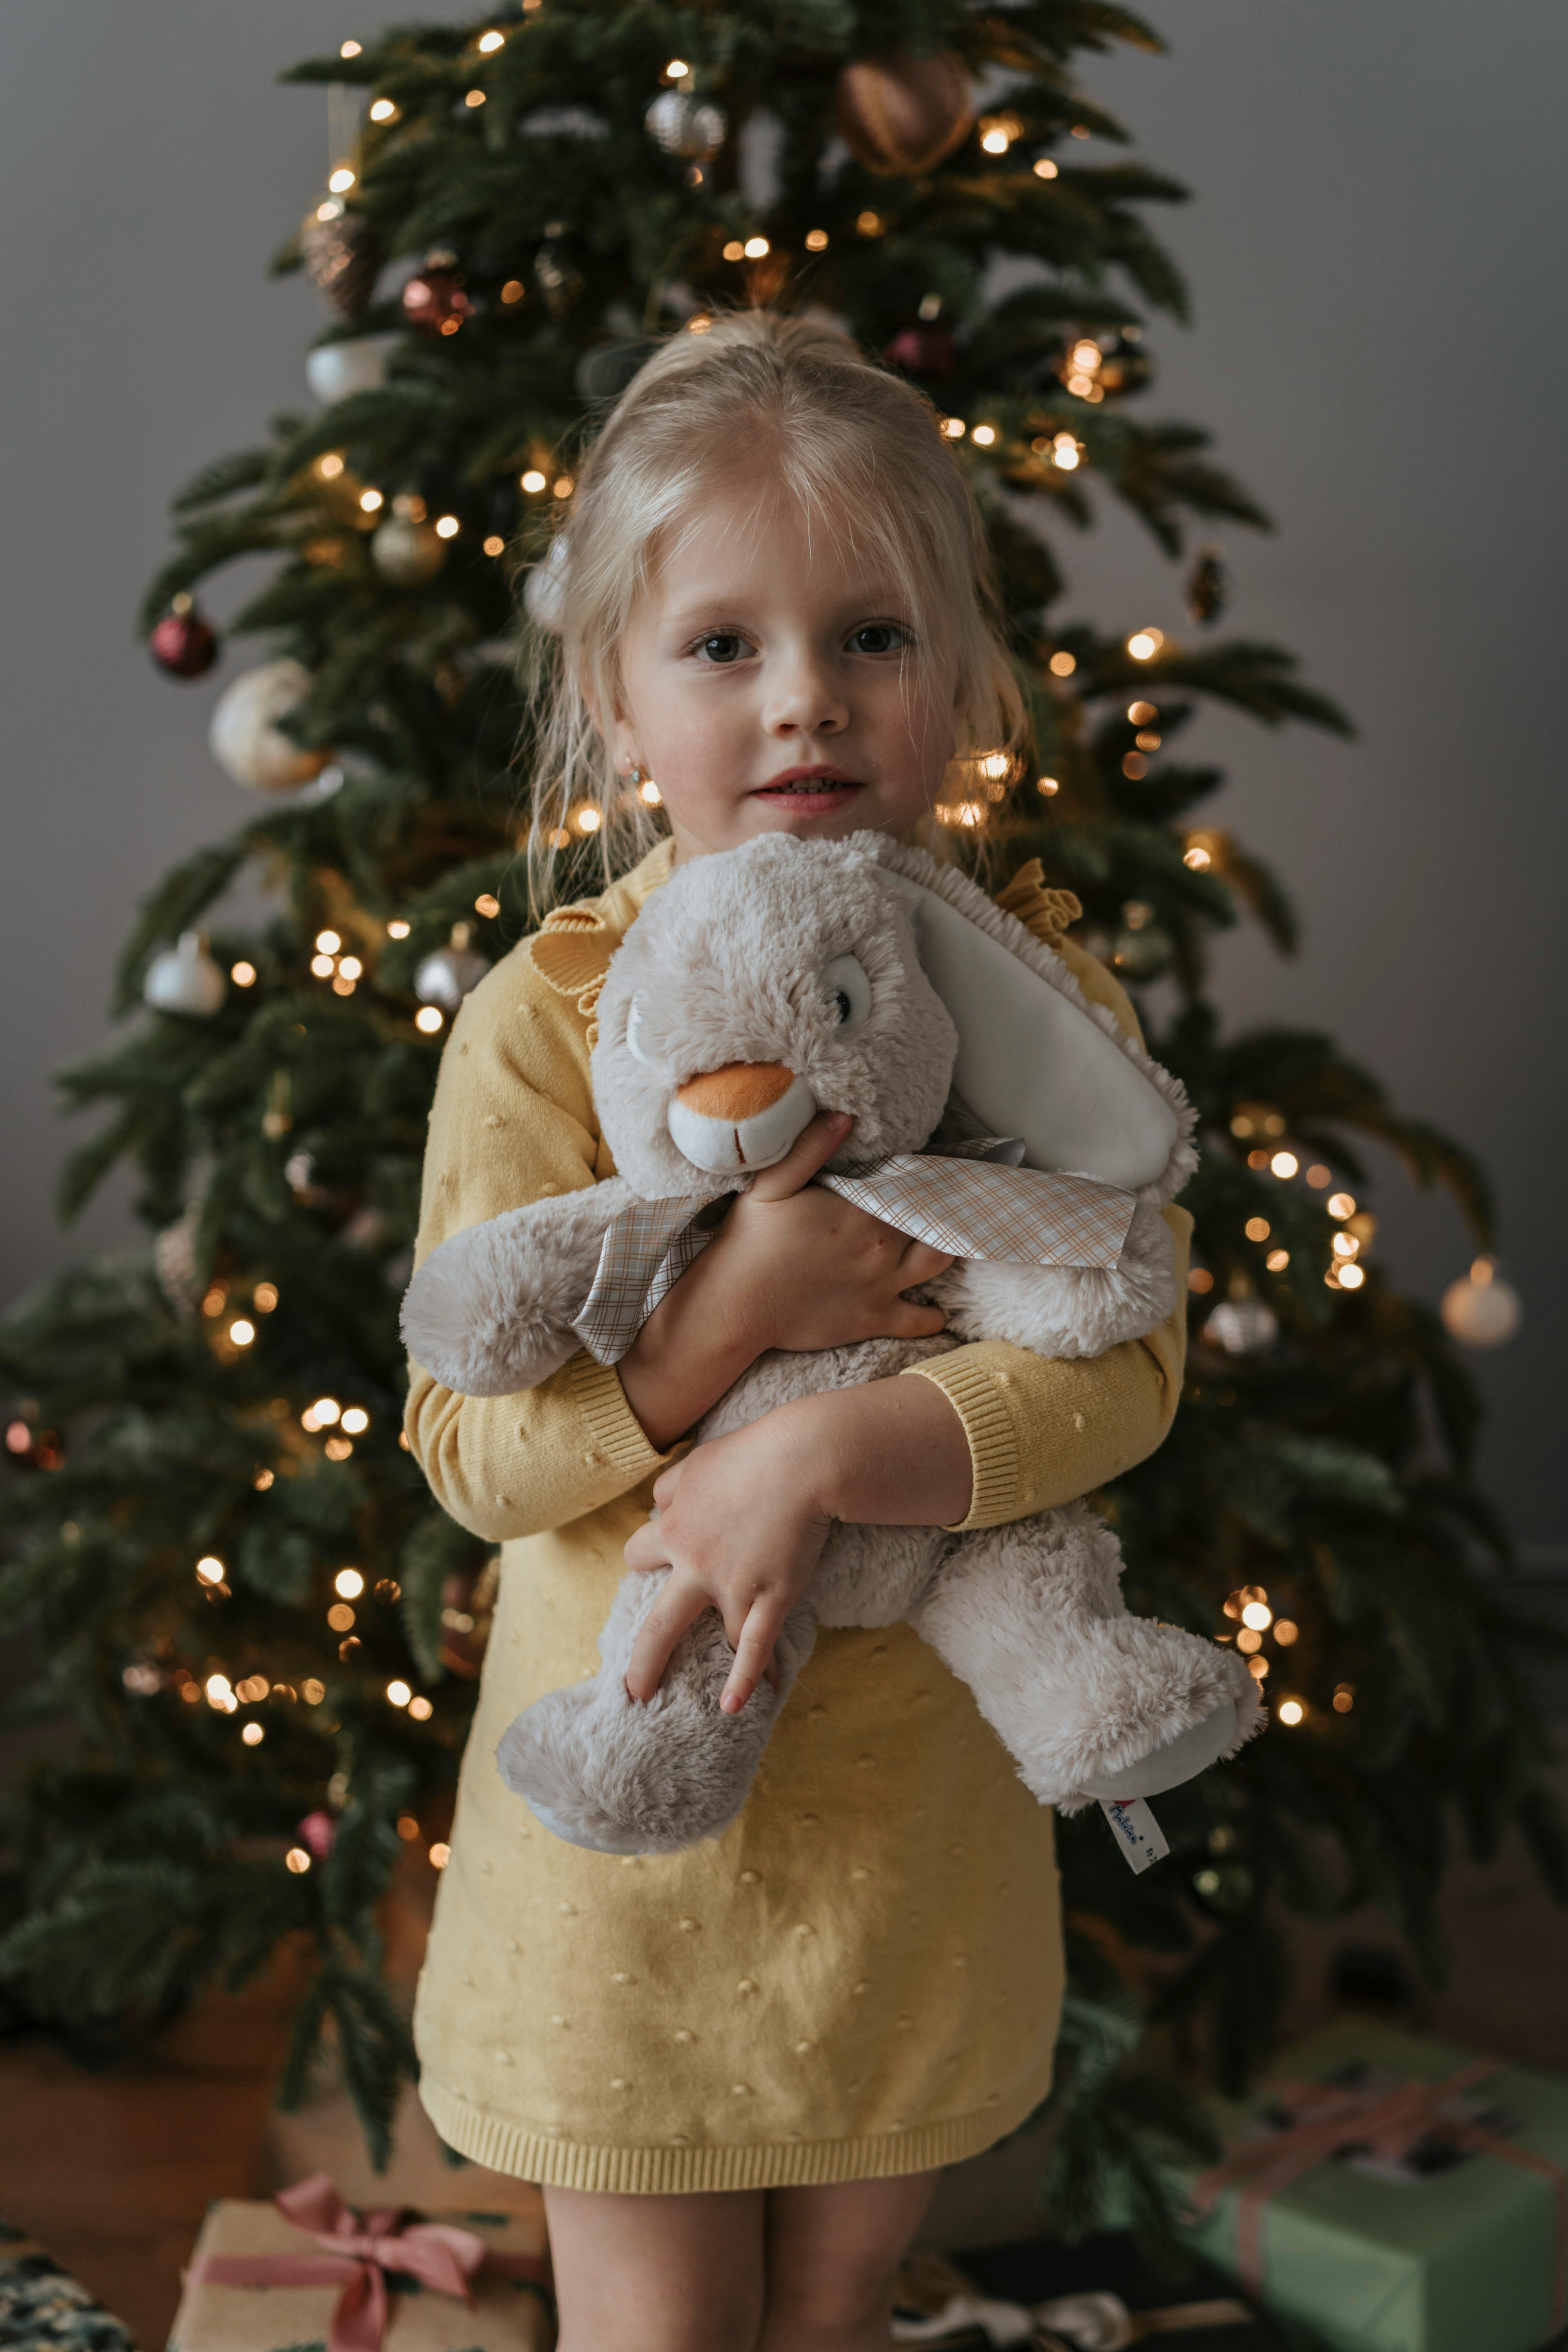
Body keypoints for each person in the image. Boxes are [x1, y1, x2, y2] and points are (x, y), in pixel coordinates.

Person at [405, 311, 1192, 2352]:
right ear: (615, 695)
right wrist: (723, 1327)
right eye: (724, 645)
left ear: (959, 678)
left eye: (871, 638)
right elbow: (467, 1446)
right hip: (629, 1869)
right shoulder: (550, 1024)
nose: (804, 704)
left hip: (906, 1853)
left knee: (835, 2323)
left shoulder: (1027, 1006)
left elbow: (1121, 1362)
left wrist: (820, 1451)